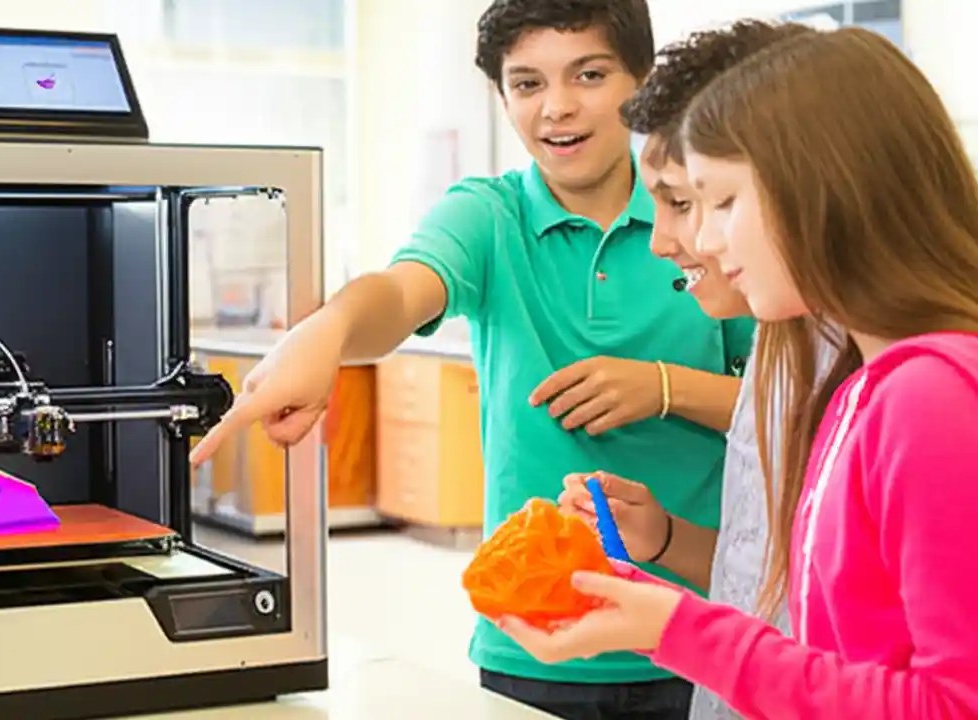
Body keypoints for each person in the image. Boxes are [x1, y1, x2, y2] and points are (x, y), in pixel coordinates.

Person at [190, 1, 752, 717]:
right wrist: (327, 333)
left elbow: (788, 411)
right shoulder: (488, 215)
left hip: (697, 628)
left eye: (589, 74)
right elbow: (398, 295)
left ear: (640, 80)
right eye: (527, 84)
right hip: (534, 636)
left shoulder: (698, 217)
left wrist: (665, 387)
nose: (558, 108)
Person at [496, 26, 978, 718]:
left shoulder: (927, 397)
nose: (704, 241)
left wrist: (675, 629)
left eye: (719, 202)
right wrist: (659, 597)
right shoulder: (865, 390)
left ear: (821, 189)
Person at [550, 19, 823, 719]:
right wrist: (667, 539)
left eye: (694, 201)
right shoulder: (777, 346)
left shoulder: (886, 387)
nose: (674, 240)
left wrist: (668, 627)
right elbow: (770, 583)